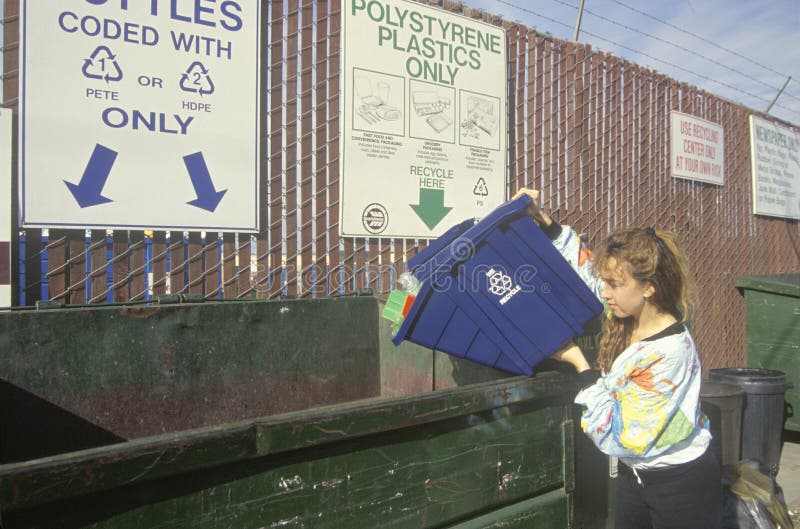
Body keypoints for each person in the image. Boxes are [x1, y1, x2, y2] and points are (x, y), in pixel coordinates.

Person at [512, 188, 722, 529]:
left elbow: (619, 436)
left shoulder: (667, 355)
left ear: (649, 287)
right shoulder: (632, 311)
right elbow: (586, 274)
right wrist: (546, 223)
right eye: (606, 282)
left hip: (679, 483)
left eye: (614, 284)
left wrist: (580, 365)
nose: (604, 292)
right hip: (636, 475)